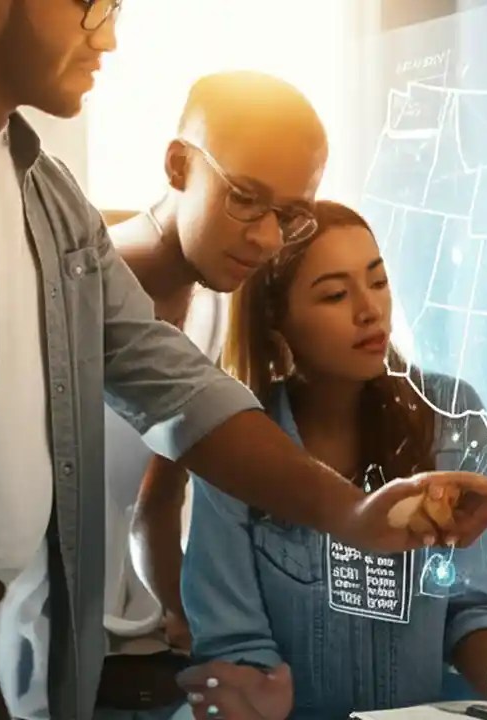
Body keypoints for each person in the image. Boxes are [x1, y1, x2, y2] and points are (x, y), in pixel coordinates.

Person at [0, 2, 487, 718]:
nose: (109, 36)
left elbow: (178, 390)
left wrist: (357, 514)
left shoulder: (51, 200)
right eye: (92, 7)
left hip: (26, 671)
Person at [157, 200, 487, 719]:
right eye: (335, 294)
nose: (369, 310)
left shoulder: (452, 414)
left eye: (377, 282)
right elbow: (234, 643)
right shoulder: (239, 443)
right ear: (276, 320)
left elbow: (477, 607)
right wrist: (249, 687)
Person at [89, 71, 334, 720]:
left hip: (154, 670)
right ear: (178, 165)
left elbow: (160, 499)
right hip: (27, 664)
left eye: (291, 214)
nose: (267, 238)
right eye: (246, 198)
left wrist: (182, 617)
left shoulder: (224, 312)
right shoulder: (76, 286)